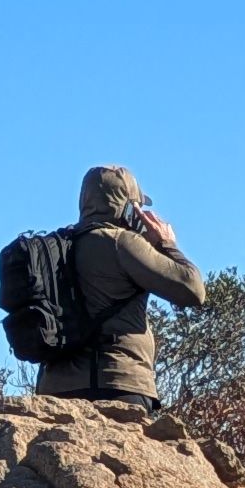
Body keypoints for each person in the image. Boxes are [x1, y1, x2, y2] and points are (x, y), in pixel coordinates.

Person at [41, 164, 207, 404]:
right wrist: (166, 244)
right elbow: (193, 290)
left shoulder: (55, 246)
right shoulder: (121, 243)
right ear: (130, 209)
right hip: (117, 384)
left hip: (55, 388)